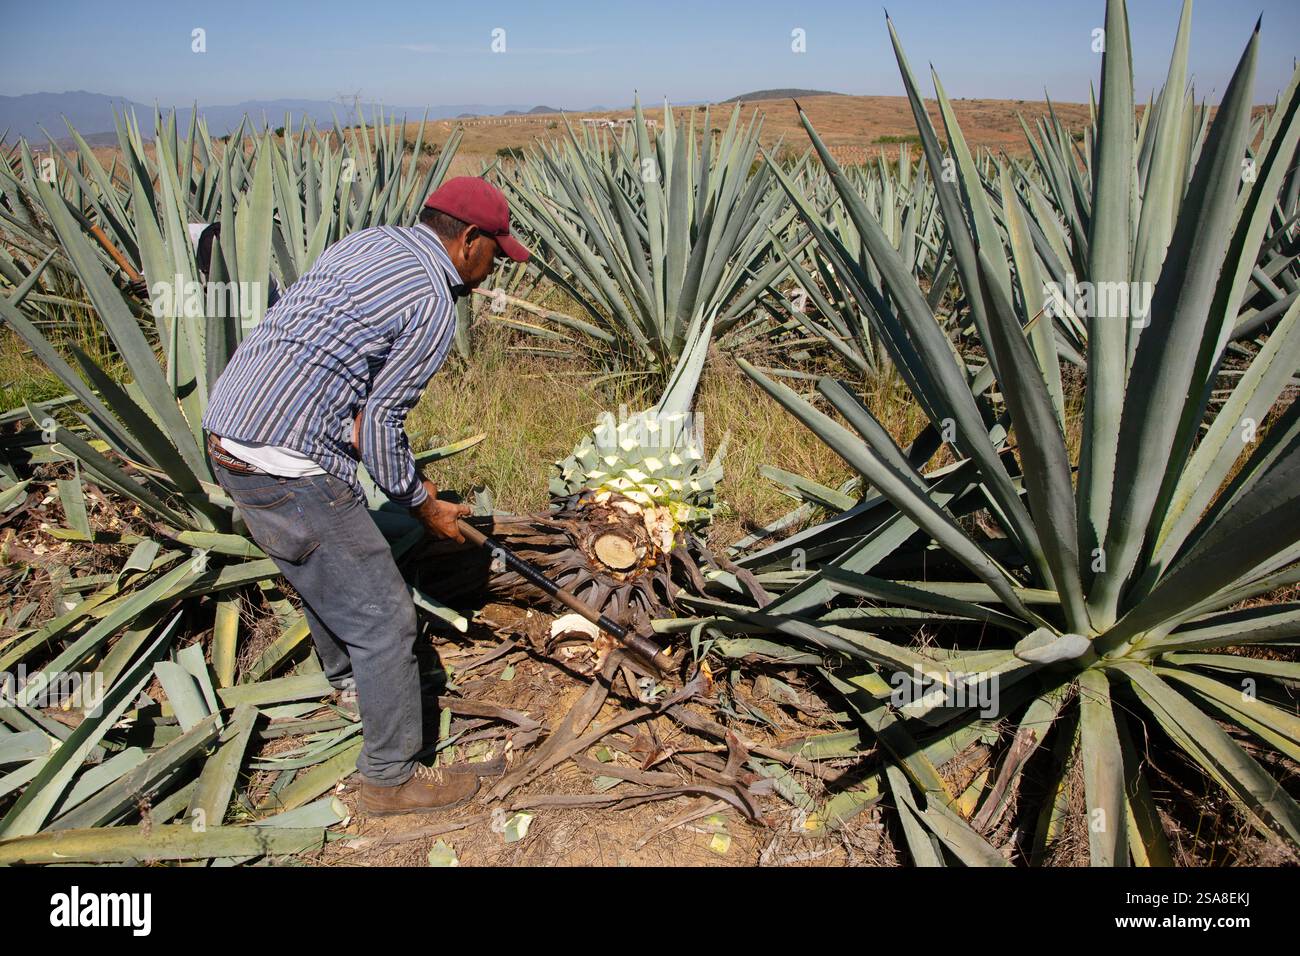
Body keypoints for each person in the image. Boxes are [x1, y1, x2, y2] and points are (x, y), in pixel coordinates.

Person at [201, 177, 530, 815]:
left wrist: (411, 483)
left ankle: (353, 686)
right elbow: (379, 424)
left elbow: (345, 388)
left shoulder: (369, 244)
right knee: (384, 618)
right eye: (496, 251)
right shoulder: (433, 301)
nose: (495, 269)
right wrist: (424, 506)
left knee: (322, 568)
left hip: (230, 431)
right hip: (286, 461)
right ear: (469, 241)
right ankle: (390, 779)